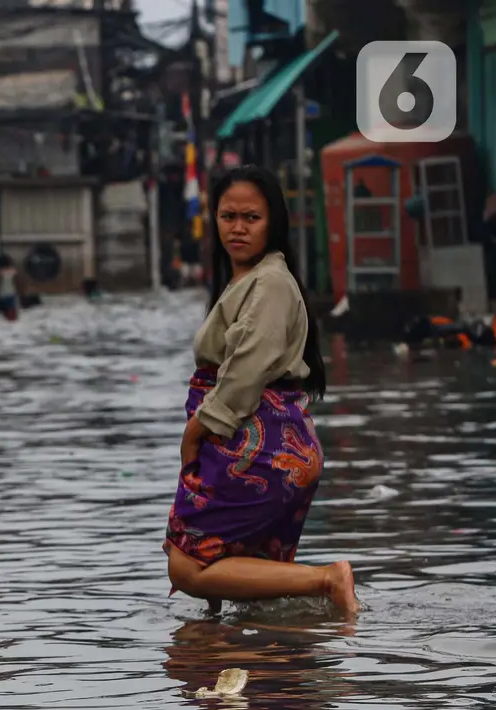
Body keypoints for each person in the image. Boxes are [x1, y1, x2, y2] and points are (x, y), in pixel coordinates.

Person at [163, 165, 358, 614]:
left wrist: (197, 430)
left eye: (251, 217)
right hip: (262, 442)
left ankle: (329, 579)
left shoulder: (269, 282)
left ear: (273, 222)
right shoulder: (250, 279)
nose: (237, 227)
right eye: (228, 216)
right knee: (232, 570)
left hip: (260, 447)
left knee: (188, 564)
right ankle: (250, 655)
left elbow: (246, 370)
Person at [0, 254, 22, 322]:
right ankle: (11, 319)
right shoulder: (14, 271)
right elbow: (18, 283)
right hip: (11, 293)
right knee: (10, 310)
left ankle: (8, 319)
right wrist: (19, 293)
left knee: (1, 311)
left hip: (2, 294)